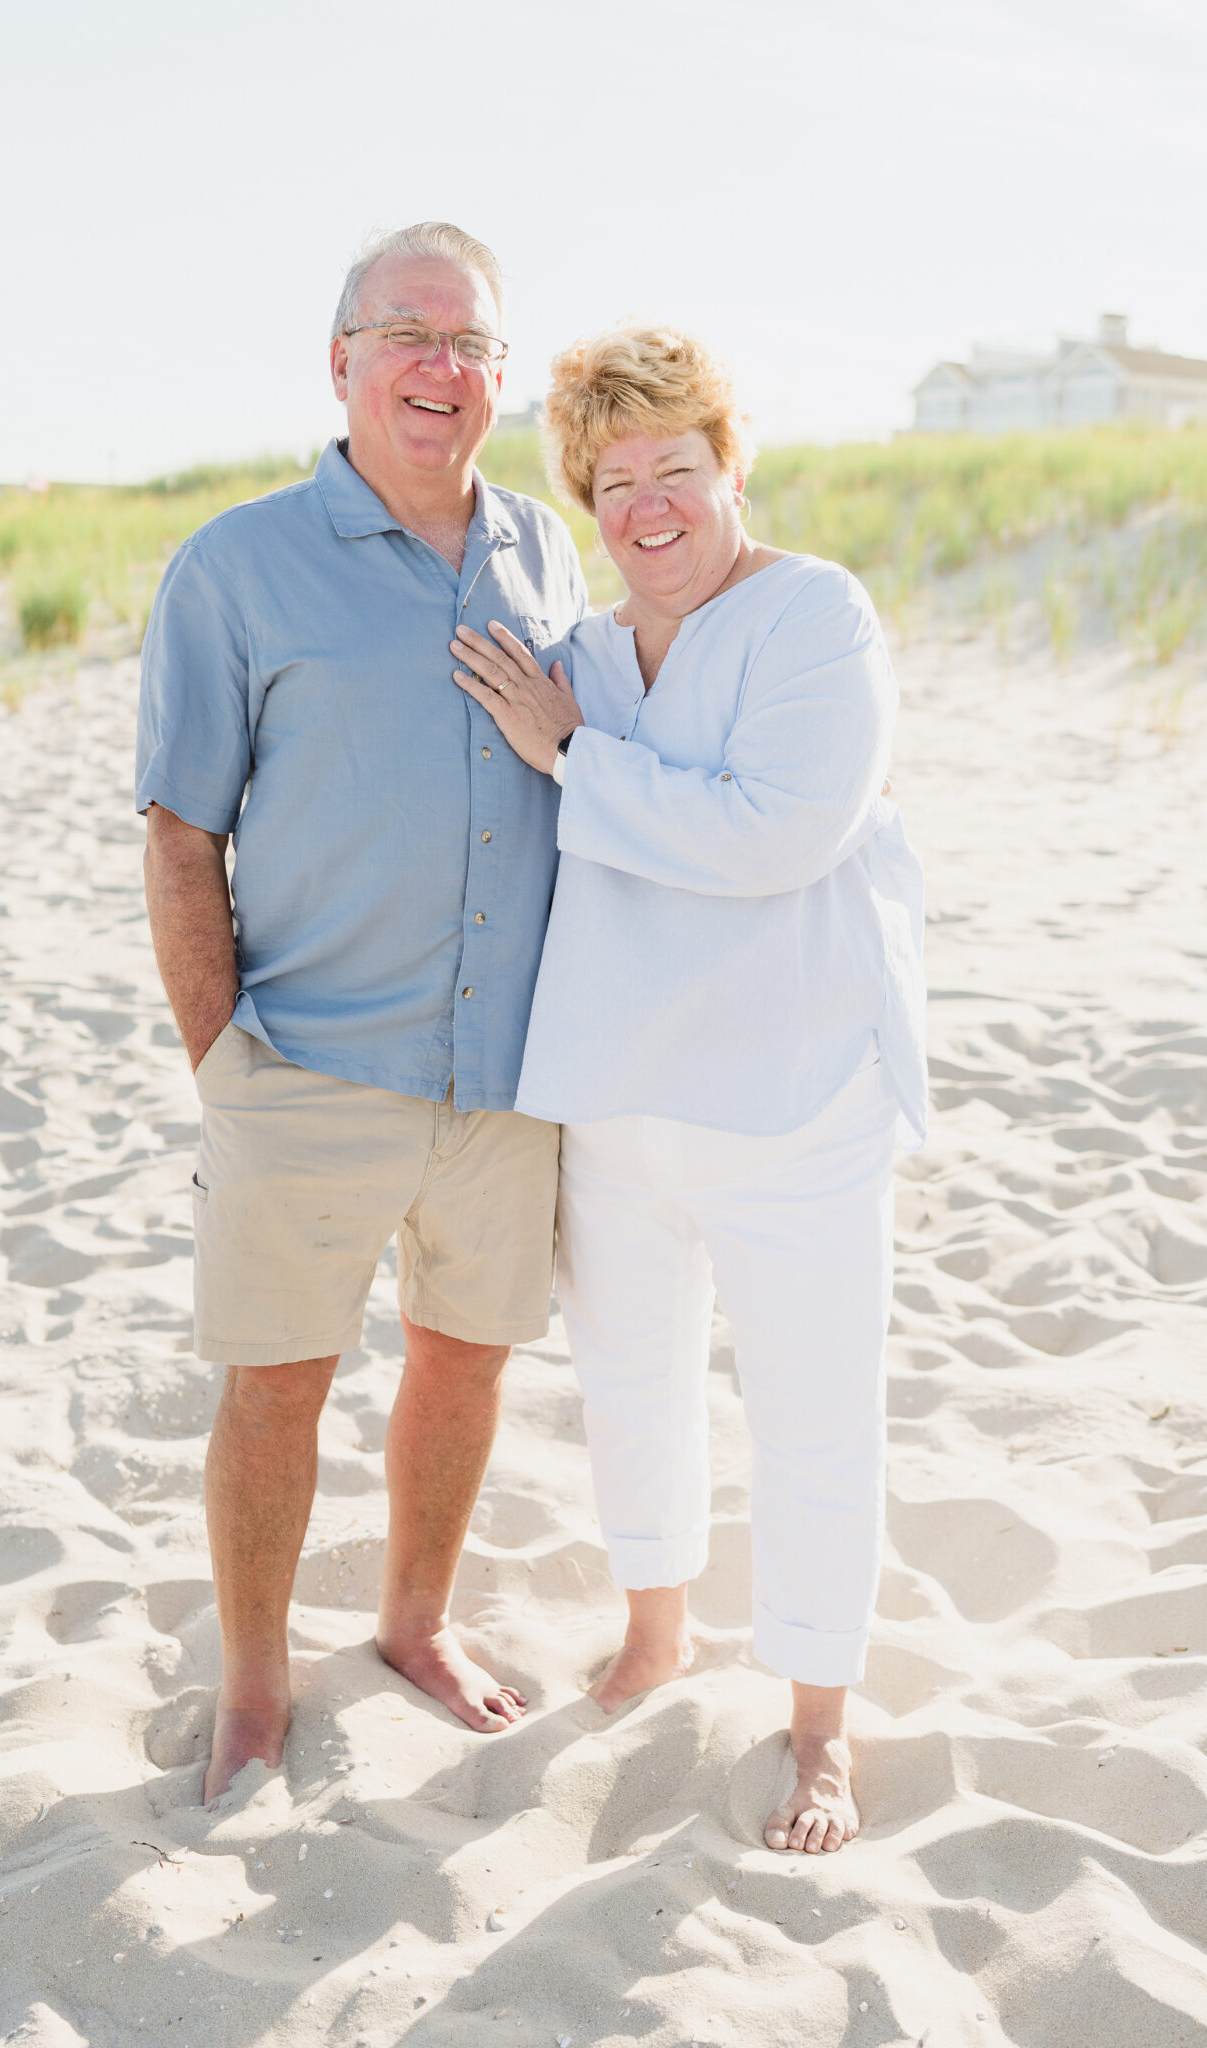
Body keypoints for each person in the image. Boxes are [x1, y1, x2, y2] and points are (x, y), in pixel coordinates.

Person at [450, 323, 926, 1856]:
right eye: (613, 483)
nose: (646, 508)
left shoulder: (812, 617)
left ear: (730, 468)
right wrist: (566, 739)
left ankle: (818, 1724)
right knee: (631, 1386)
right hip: (618, 1102)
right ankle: (656, 1632)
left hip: (793, 1102)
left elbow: (776, 835)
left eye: (674, 470)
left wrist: (576, 761)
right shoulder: (585, 656)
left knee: (813, 1416)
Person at [136, 222, 588, 1803]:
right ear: (340, 362)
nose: (439, 370)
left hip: (504, 1078)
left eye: (471, 345)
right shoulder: (236, 565)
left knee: (463, 1367)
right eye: (408, 335)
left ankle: (413, 1624)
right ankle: (255, 1684)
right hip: (306, 1068)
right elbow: (180, 835)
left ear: (498, 376)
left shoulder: (544, 551)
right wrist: (223, 1061)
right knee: (277, 1387)